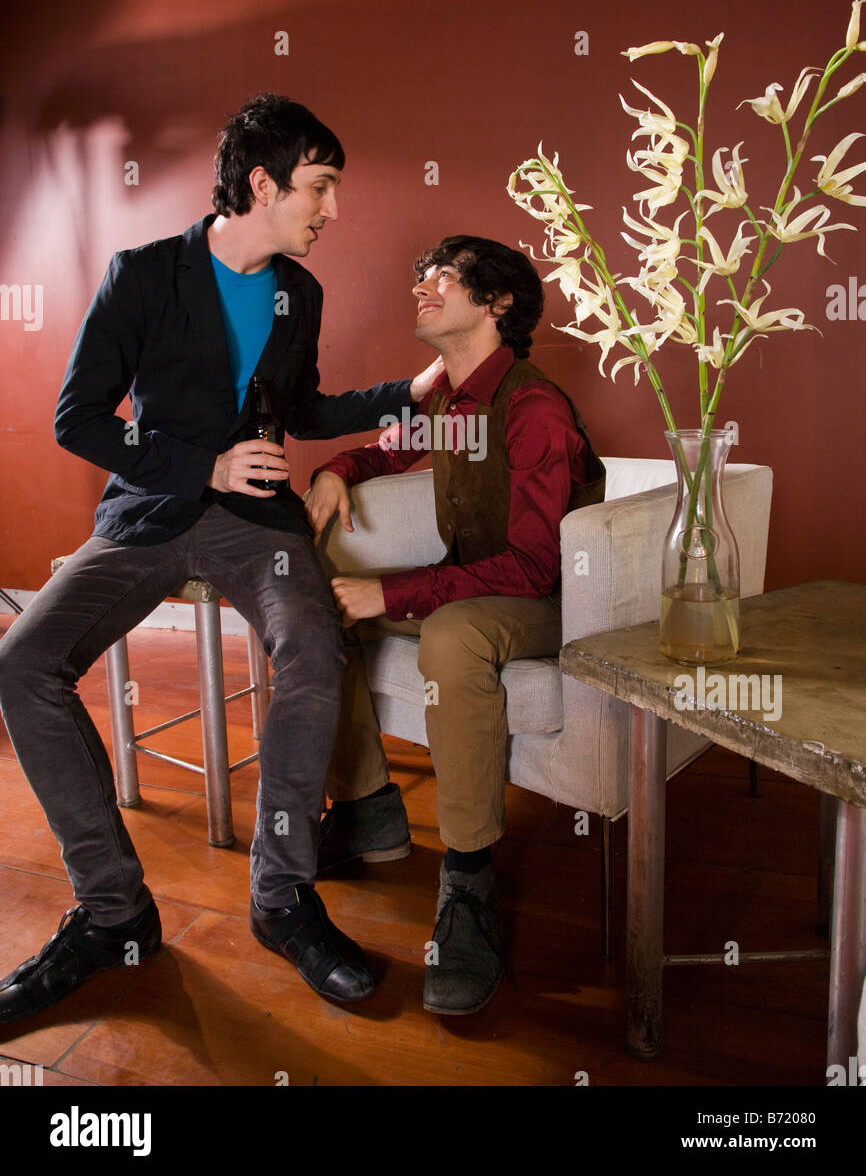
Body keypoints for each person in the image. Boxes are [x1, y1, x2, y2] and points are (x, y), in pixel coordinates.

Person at [0, 93, 441, 1021]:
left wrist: (413, 389)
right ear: (262, 183)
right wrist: (200, 462)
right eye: (319, 188)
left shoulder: (300, 294)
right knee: (23, 664)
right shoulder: (142, 276)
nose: (331, 210)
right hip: (151, 512)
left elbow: (308, 409)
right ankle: (113, 911)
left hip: (258, 523)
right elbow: (77, 418)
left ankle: (280, 900)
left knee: (315, 656)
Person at [305, 235, 605, 1015]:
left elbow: (538, 571)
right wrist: (335, 470)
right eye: (421, 277)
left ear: (498, 302)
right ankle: (368, 808)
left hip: (552, 607)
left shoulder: (533, 407)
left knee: (450, 633)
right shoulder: (449, 402)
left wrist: (394, 594)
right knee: (321, 610)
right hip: (474, 589)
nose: (422, 289)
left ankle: (468, 884)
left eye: (444, 277)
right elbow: (382, 451)